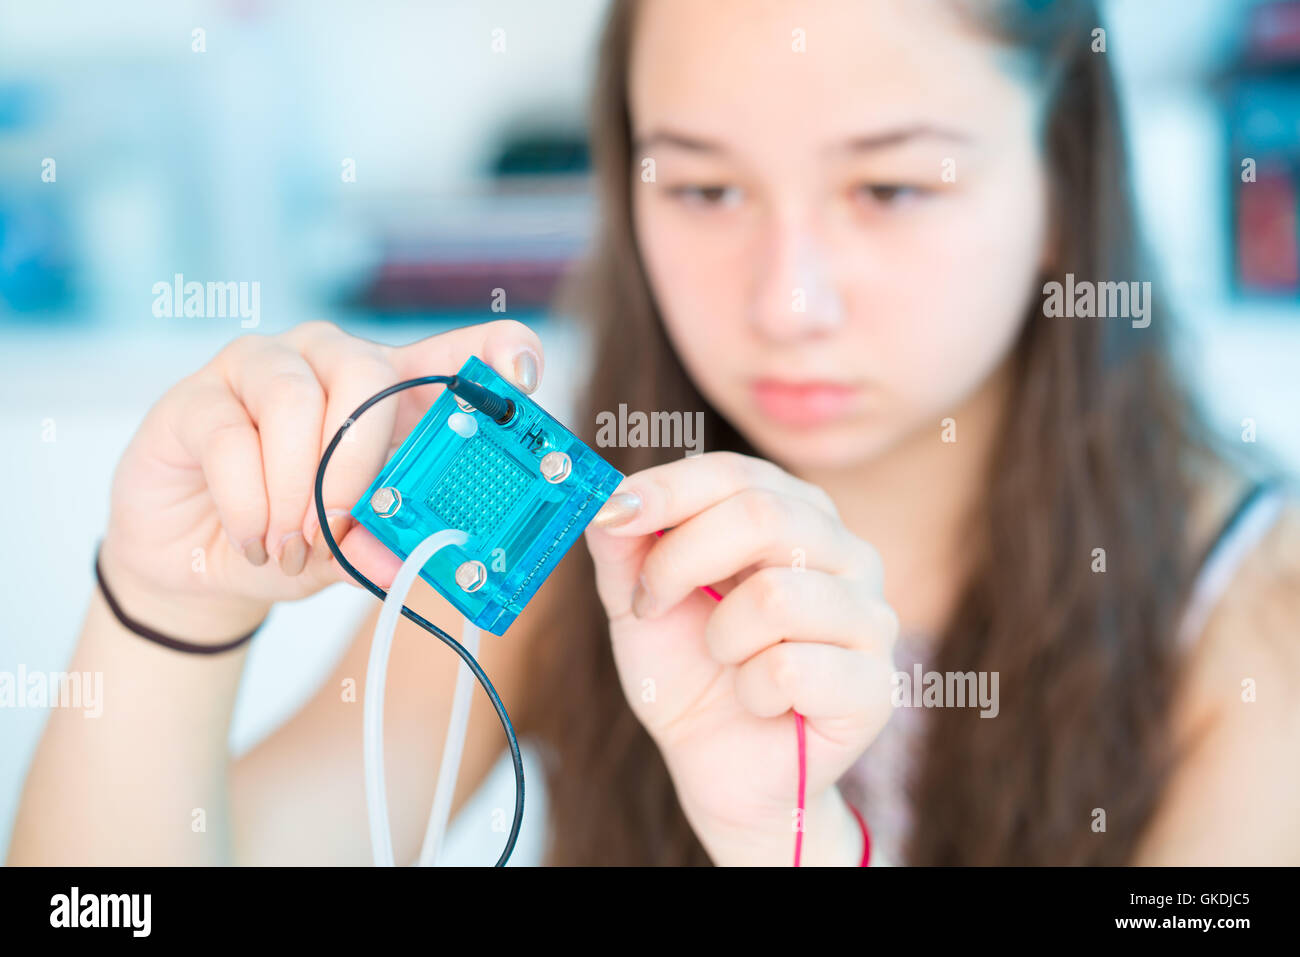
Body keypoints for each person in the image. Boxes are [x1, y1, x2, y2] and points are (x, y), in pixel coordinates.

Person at [10, 0, 1300, 867]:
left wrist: (792, 843)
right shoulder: (555, 532)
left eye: (892, 186)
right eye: (701, 186)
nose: (786, 302)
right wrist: (162, 605)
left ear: (1066, 184)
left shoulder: (1259, 616)